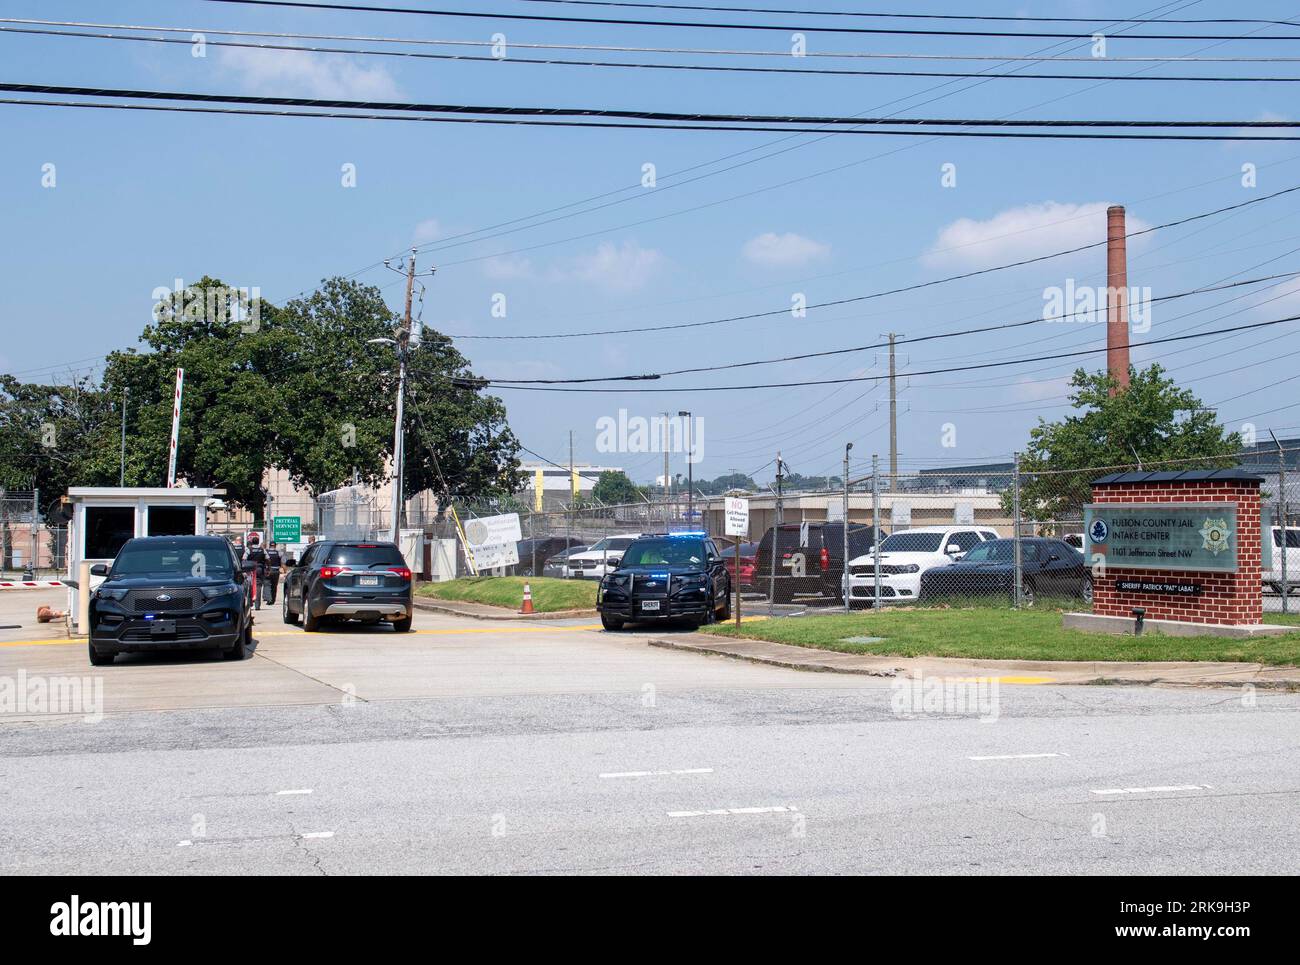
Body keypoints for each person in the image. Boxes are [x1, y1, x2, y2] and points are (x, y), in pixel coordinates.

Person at [244, 533, 269, 609]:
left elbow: (244, 559)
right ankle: (257, 605)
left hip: (250, 569)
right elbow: (268, 559)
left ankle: (250, 603)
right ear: (258, 542)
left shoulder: (249, 550)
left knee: (250, 585)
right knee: (258, 586)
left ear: (252, 542)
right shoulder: (262, 550)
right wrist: (268, 568)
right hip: (260, 569)